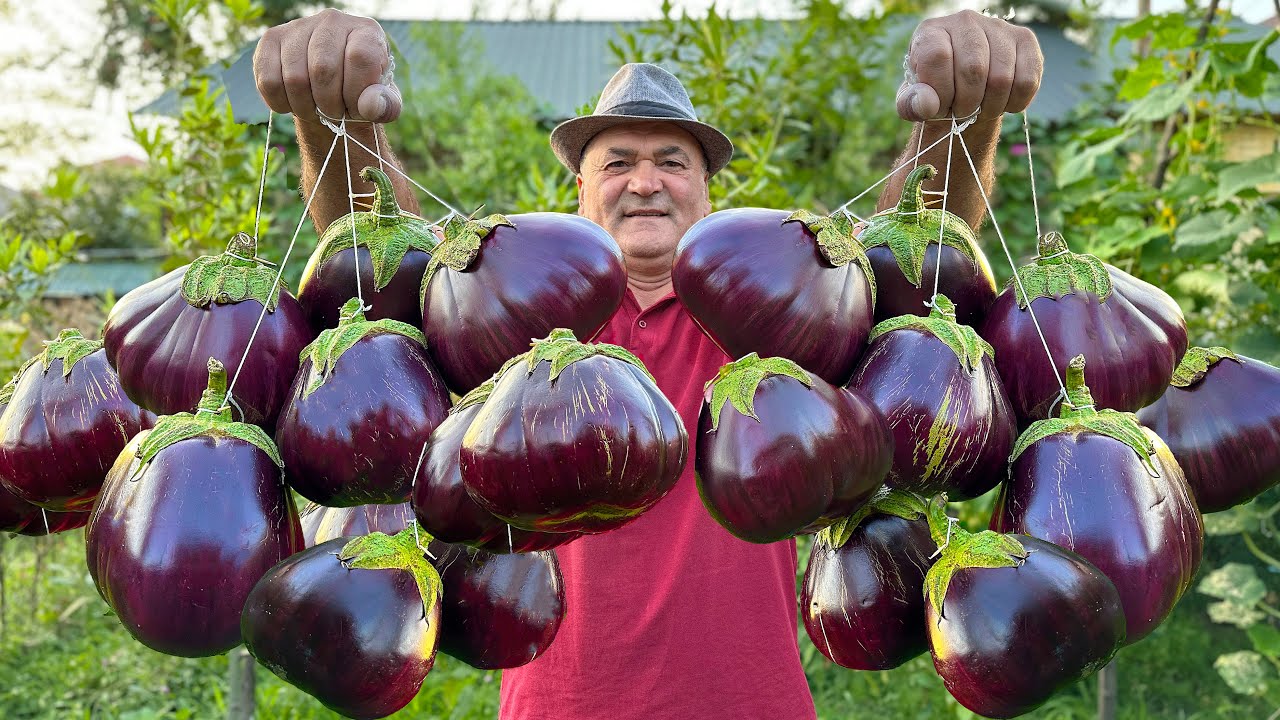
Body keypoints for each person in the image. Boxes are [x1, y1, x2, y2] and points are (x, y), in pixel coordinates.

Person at [254, 9, 1042, 719]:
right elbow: (379, 289)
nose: (644, 182)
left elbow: (915, 285)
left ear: (707, 192)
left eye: (672, 161)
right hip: (558, 707)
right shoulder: (516, 331)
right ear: (579, 192)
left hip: (751, 705)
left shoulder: (771, 326)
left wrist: (960, 117)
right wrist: (336, 119)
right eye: (616, 162)